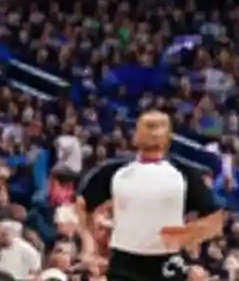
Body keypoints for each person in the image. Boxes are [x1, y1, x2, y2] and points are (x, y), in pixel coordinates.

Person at [73, 111, 224, 281]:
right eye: (148, 127)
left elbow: (215, 219)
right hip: (123, 263)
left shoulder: (185, 175)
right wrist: (89, 245)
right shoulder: (114, 171)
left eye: (158, 128)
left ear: (167, 138)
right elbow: (81, 205)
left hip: (167, 264)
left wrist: (186, 237)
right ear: (135, 136)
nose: (153, 133)